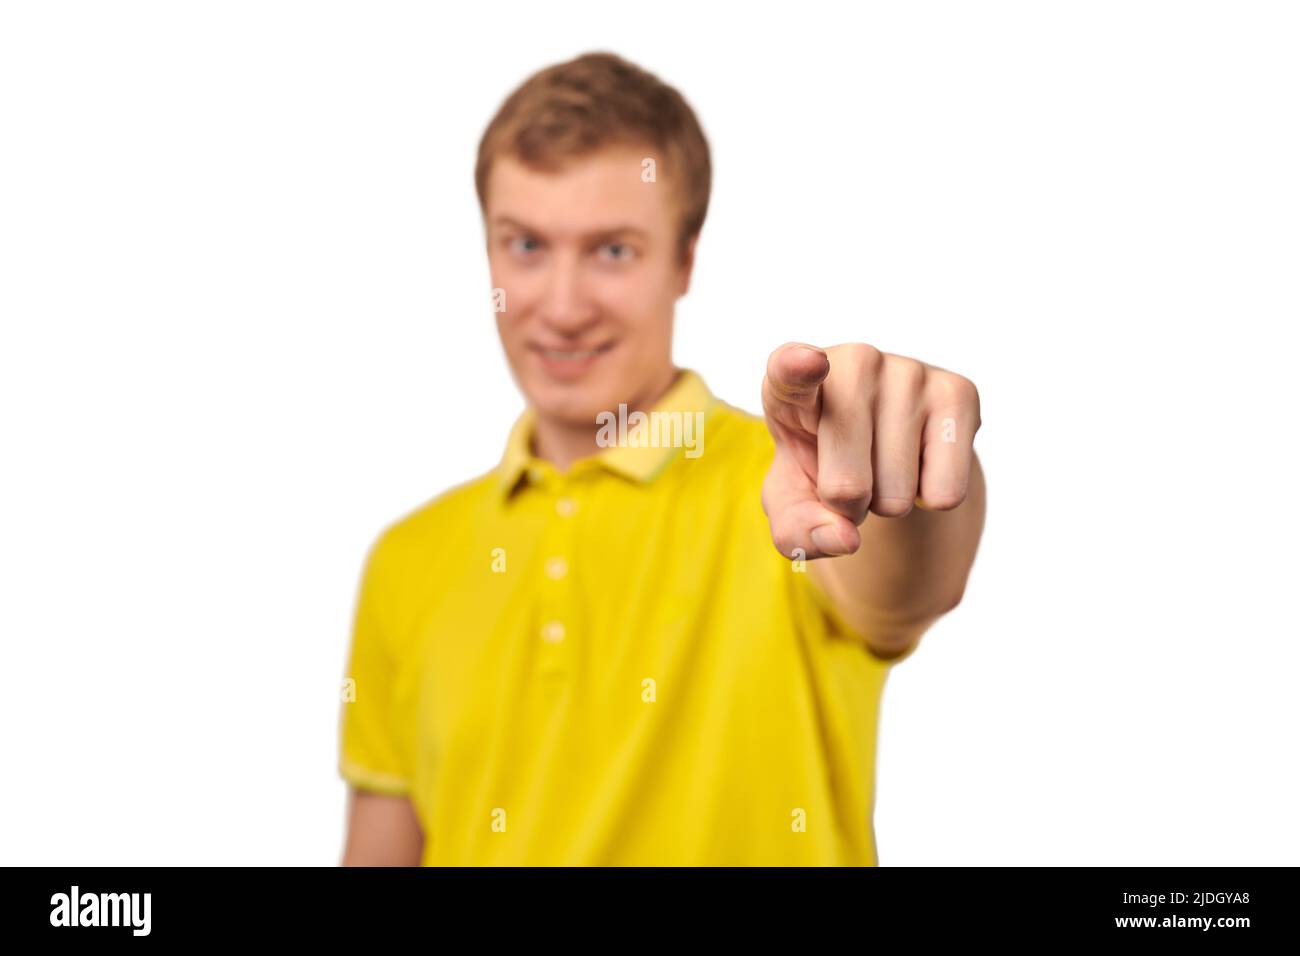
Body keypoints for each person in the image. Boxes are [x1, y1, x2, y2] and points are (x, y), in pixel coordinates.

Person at [338, 51, 986, 866]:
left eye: (613, 251)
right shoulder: (407, 559)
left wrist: (912, 463)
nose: (563, 307)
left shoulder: (791, 487)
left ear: (684, 260)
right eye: (527, 245)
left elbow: (907, 583)